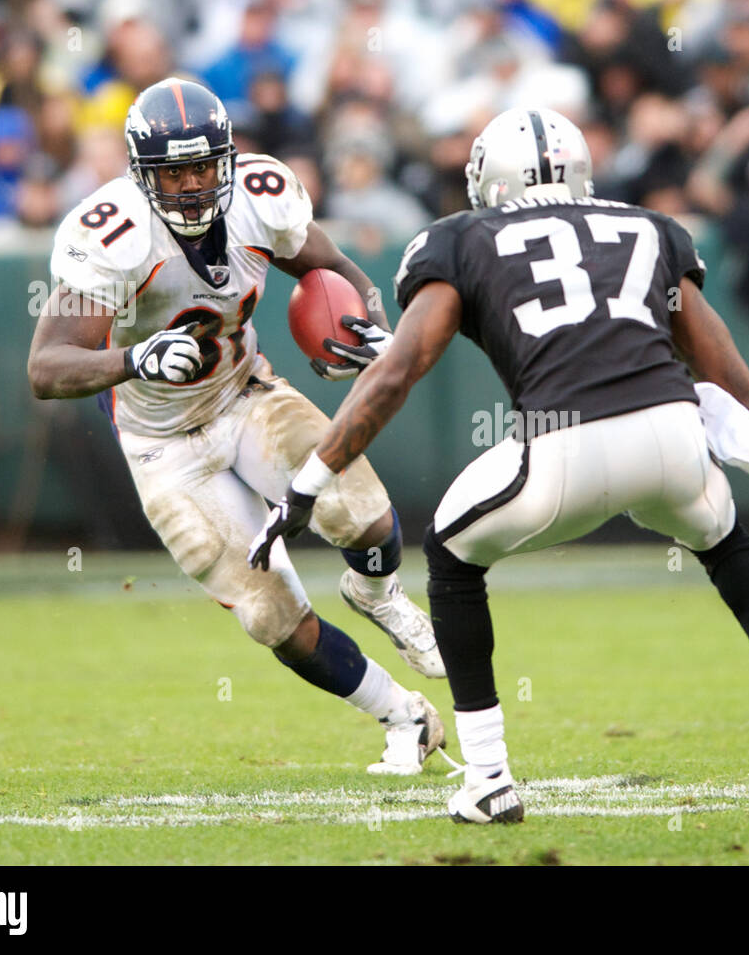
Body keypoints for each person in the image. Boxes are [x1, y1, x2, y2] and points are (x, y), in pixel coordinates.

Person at [249, 108, 749, 822]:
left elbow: (396, 378)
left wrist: (305, 486)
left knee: (453, 558)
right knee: (726, 542)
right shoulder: (651, 229)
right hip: (673, 438)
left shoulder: (459, 238)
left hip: (563, 449)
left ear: (489, 179)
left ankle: (487, 779)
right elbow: (744, 391)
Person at [27, 78, 445, 775]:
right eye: (173, 171)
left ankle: (377, 592)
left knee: (362, 515)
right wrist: (134, 358)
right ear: (140, 173)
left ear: (226, 160)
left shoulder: (260, 195)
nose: (191, 186)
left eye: (202, 167)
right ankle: (403, 717)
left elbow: (334, 269)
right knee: (270, 615)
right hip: (161, 444)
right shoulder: (115, 235)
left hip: (246, 395)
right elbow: (45, 367)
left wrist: (370, 328)